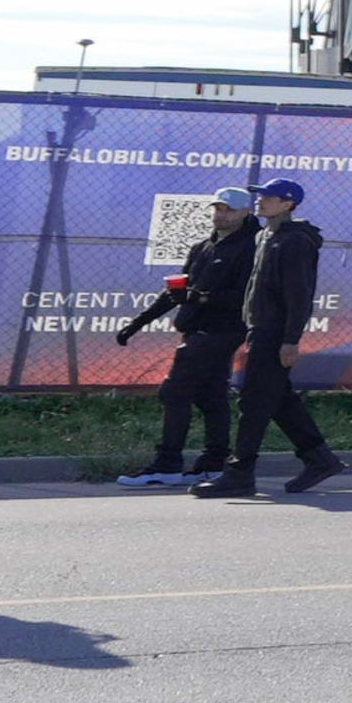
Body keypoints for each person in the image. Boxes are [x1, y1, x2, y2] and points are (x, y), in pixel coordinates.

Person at [196, 179, 344, 498]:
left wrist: (291, 339)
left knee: (254, 401)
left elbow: (299, 294)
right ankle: (319, 458)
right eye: (260, 196)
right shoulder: (266, 235)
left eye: (269, 197)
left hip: (275, 333)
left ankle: (239, 473)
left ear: (288, 204)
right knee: (276, 397)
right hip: (259, 328)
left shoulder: (296, 241)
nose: (261, 201)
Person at [114, 187, 259, 488]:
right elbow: (178, 292)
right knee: (211, 397)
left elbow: (246, 296)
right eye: (218, 209)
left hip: (222, 330)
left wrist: (201, 298)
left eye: (229, 210)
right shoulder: (203, 247)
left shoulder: (251, 247)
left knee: (175, 392)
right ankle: (214, 464)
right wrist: (137, 323)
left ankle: (167, 464)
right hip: (197, 328)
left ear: (246, 212)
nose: (221, 215)